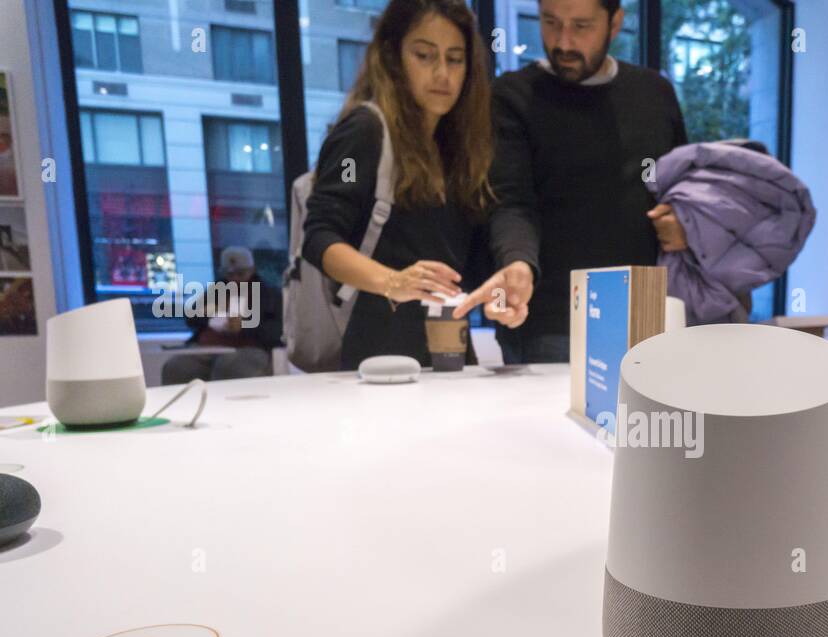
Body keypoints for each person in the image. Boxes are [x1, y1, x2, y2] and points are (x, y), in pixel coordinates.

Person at [453, 0, 688, 363]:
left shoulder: (654, 95)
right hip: (547, 319)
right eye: (550, 22)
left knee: (643, 420)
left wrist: (682, 221)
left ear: (614, 23)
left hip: (642, 313)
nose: (563, 42)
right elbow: (511, 201)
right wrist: (517, 263)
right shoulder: (514, 96)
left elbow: (679, 187)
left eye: (581, 26)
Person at [302, 0, 495, 371]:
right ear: (393, 58)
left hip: (447, 352)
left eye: (455, 59)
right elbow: (319, 237)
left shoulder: (457, 145)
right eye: (424, 55)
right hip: (378, 357)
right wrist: (393, 281)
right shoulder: (363, 133)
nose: (442, 73)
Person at [161, 246, 282, 384]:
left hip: (249, 348)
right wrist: (208, 314)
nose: (235, 279)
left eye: (241, 274)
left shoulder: (269, 295)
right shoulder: (215, 291)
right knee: (175, 368)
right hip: (208, 347)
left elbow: (278, 331)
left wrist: (245, 326)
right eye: (230, 274)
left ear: (252, 270)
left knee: (230, 368)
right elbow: (191, 318)